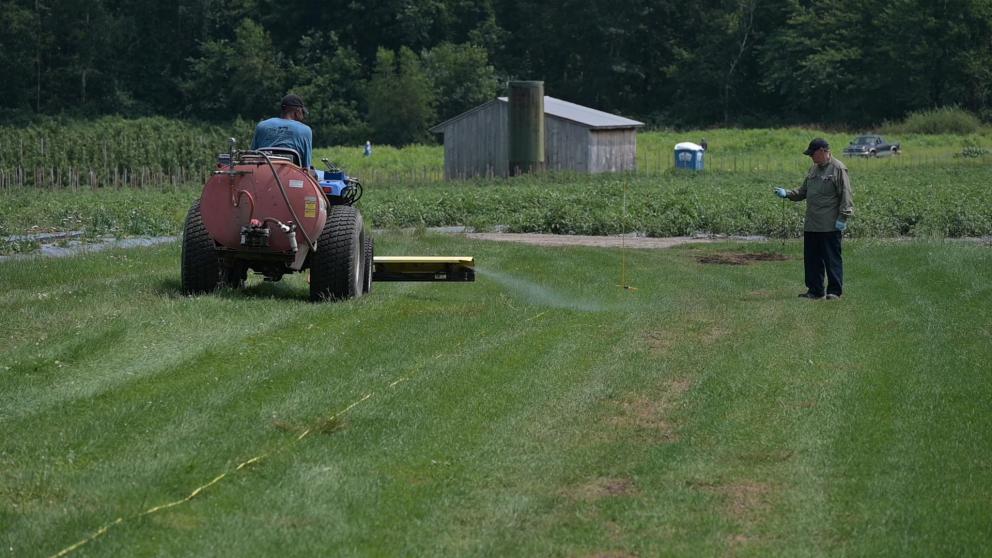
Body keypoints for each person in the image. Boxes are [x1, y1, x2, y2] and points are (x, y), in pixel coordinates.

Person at [774, 138, 853, 300]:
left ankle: (834, 292)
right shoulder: (813, 170)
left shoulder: (838, 169)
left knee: (832, 259)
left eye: (813, 154)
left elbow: (846, 195)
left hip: (830, 225)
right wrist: (787, 193)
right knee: (812, 260)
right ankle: (815, 291)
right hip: (812, 224)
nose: (811, 157)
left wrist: (843, 217)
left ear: (823, 151)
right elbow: (803, 192)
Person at [250, 94, 314, 172]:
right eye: (303, 112)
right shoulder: (305, 130)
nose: (303, 116)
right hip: (291, 177)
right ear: (297, 111)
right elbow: (306, 167)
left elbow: (252, 156)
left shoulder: (262, 126)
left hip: (263, 174)